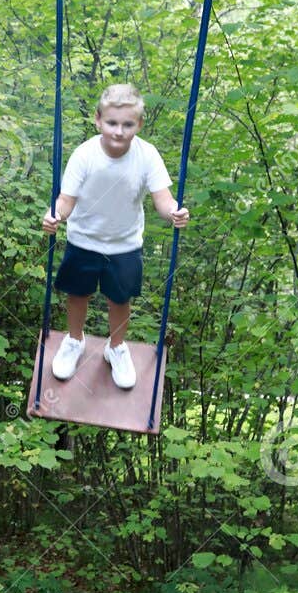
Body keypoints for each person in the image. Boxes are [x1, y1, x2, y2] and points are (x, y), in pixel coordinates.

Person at [41, 83, 191, 389]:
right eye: (111, 123)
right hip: (83, 240)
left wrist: (175, 211)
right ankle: (74, 340)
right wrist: (55, 214)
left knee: (120, 299)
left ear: (139, 124)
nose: (119, 131)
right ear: (98, 120)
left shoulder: (147, 155)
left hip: (125, 245)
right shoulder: (84, 155)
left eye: (127, 124)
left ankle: (116, 347)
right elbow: (66, 200)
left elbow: (162, 198)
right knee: (77, 294)